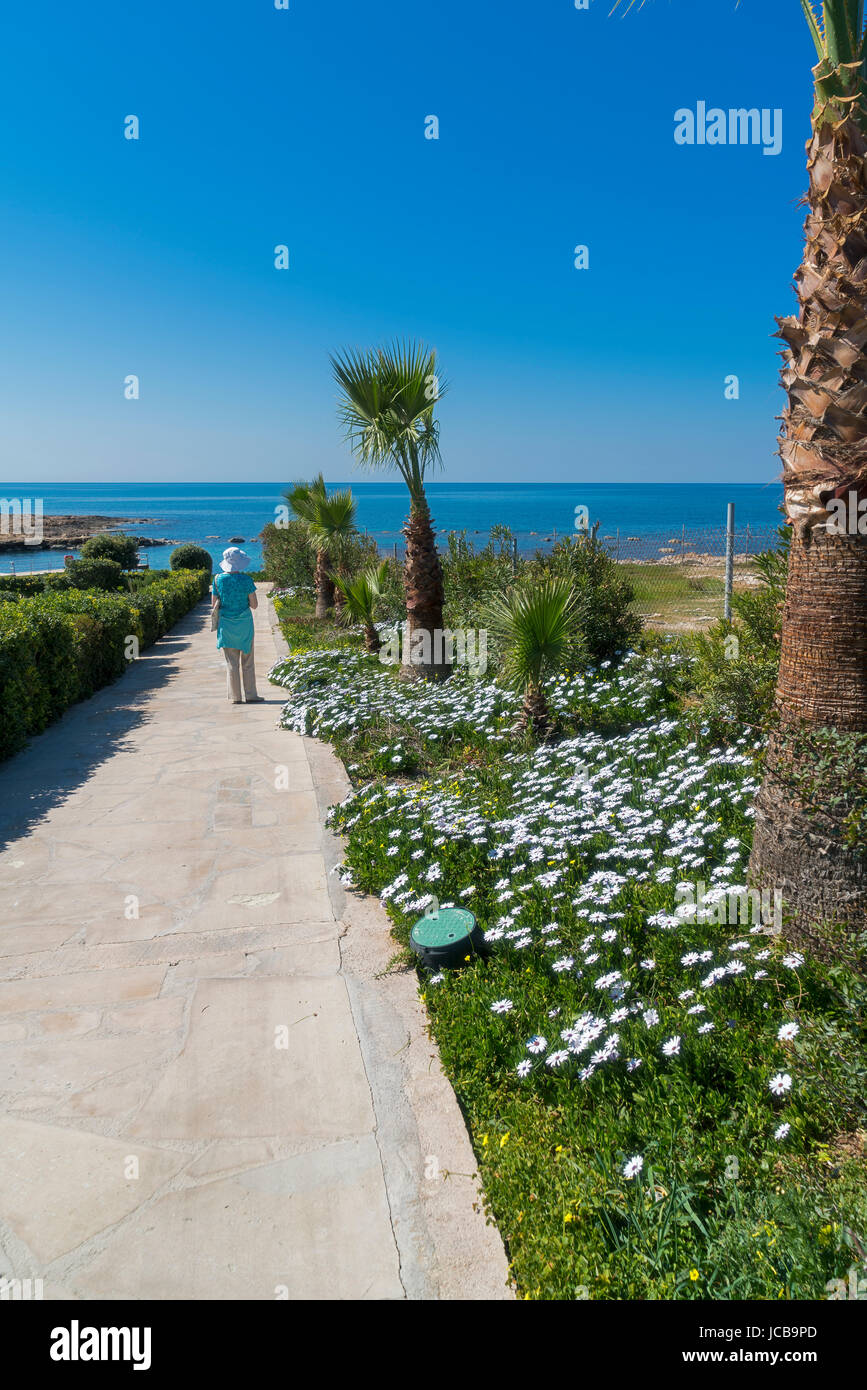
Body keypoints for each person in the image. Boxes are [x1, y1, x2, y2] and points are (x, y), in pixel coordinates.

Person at [212, 548, 264, 704]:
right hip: (244, 625)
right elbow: (254, 605)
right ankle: (251, 695)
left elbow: (214, 604)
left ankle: (235, 697)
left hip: (226, 626)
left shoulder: (217, 580)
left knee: (231, 663)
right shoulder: (247, 580)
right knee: (248, 661)